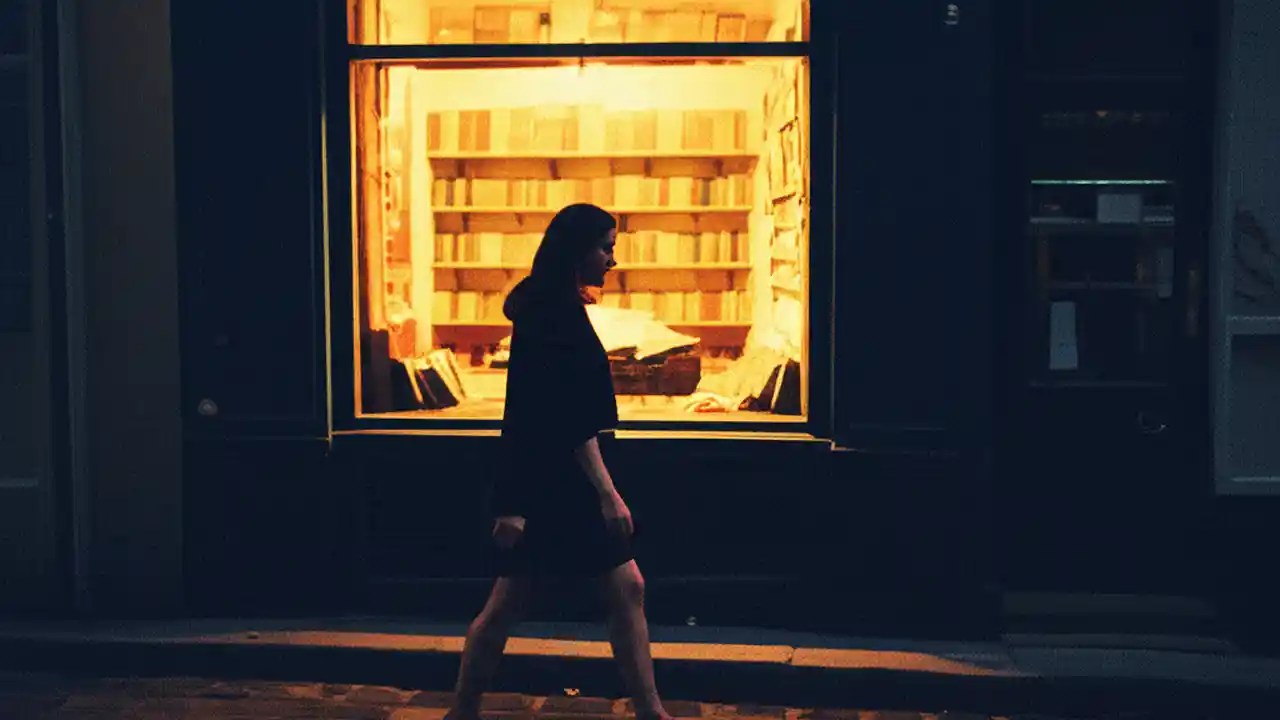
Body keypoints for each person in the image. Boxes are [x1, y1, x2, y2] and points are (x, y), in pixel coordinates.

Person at [446, 203, 675, 720]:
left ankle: (649, 711)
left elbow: (541, 416)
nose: (612, 260)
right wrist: (607, 495)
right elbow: (558, 419)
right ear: (577, 251)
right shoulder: (554, 317)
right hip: (558, 486)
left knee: (614, 589)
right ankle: (461, 711)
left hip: (550, 483)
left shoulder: (549, 310)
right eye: (606, 247)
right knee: (511, 603)